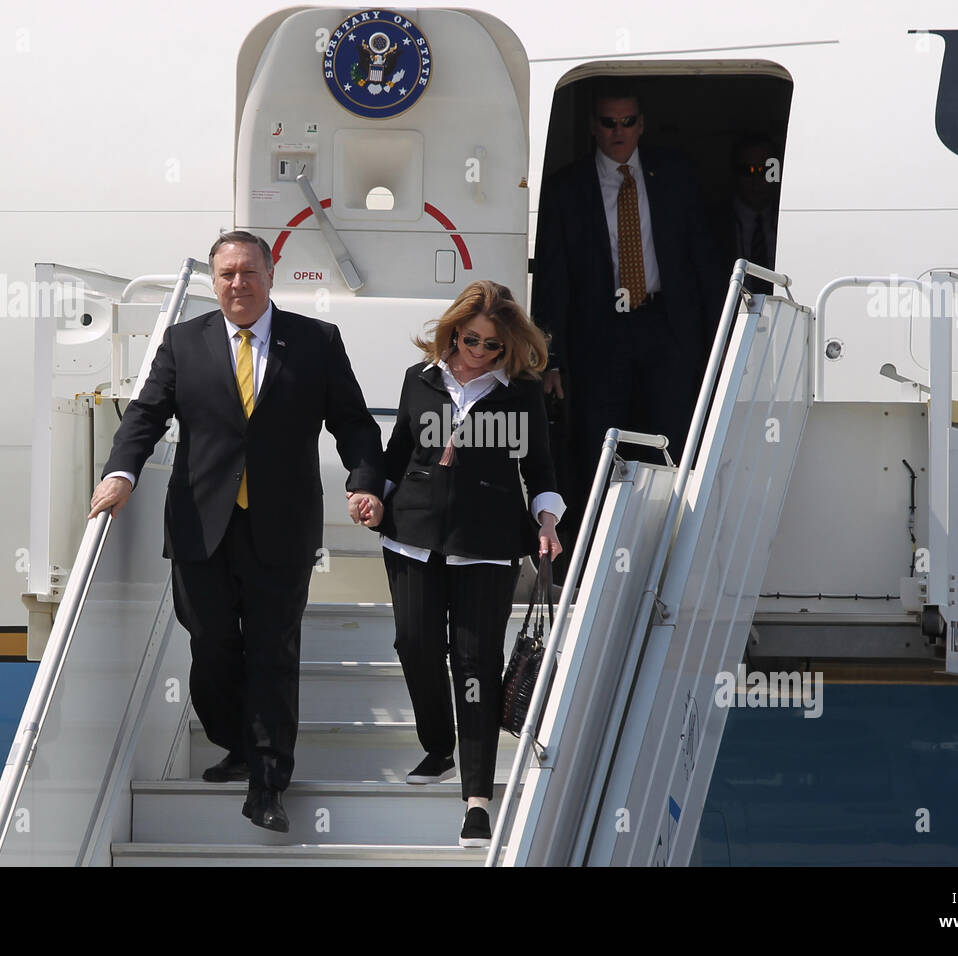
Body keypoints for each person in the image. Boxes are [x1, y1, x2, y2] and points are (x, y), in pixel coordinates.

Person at [88, 231, 384, 833]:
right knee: (212, 645)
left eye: (248, 273)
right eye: (226, 275)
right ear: (213, 282)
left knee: (274, 651)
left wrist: (364, 480)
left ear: (270, 276)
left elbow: (353, 422)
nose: (237, 285)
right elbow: (145, 415)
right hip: (203, 525)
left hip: (281, 526)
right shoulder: (183, 343)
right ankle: (236, 742)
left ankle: (268, 783)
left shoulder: (316, 342)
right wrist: (121, 473)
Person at [356, 280, 564, 848]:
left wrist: (547, 521)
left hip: (489, 542)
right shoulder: (418, 380)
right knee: (414, 643)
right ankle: (437, 744)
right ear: (454, 331)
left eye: (493, 346)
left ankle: (477, 798)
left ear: (509, 346)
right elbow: (398, 450)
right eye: (471, 339)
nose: (478, 353)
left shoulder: (521, 392)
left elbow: (540, 469)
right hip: (412, 534)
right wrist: (372, 492)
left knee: (475, 664)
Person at [532, 85, 721, 499]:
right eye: (609, 122)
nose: (619, 131)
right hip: (598, 331)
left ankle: (667, 526)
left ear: (641, 125)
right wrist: (551, 357)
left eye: (628, 122)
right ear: (593, 127)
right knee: (601, 439)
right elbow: (552, 277)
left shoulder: (673, 176)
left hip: (664, 324)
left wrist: (716, 339)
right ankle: (599, 532)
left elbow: (702, 261)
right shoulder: (567, 188)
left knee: (672, 432)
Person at [715, 133, 781, 296]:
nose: (756, 179)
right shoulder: (713, 225)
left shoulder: (791, 221)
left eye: (765, 170)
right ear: (734, 173)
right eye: (748, 170)